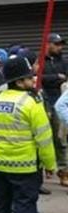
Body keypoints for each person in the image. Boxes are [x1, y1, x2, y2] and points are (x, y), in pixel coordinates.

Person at [0, 58, 56, 213]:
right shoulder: (30, 104)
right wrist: (50, 164)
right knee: (25, 207)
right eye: (28, 78)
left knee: (1, 205)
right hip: (24, 166)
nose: (33, 81)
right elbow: (44, 138)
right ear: (18, 82)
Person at [40, 33, 68, 186]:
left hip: (60, 102)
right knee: (43, 137)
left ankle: (63, 171)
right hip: (42, 103)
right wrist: (56, 77)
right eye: (56, 44)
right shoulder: (39, 61)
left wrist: (51, 78)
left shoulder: (63, 62)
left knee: (60, 138)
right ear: (48, 44)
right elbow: (36, 78)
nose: (60, 47)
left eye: (60, 44)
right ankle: (45, 168)